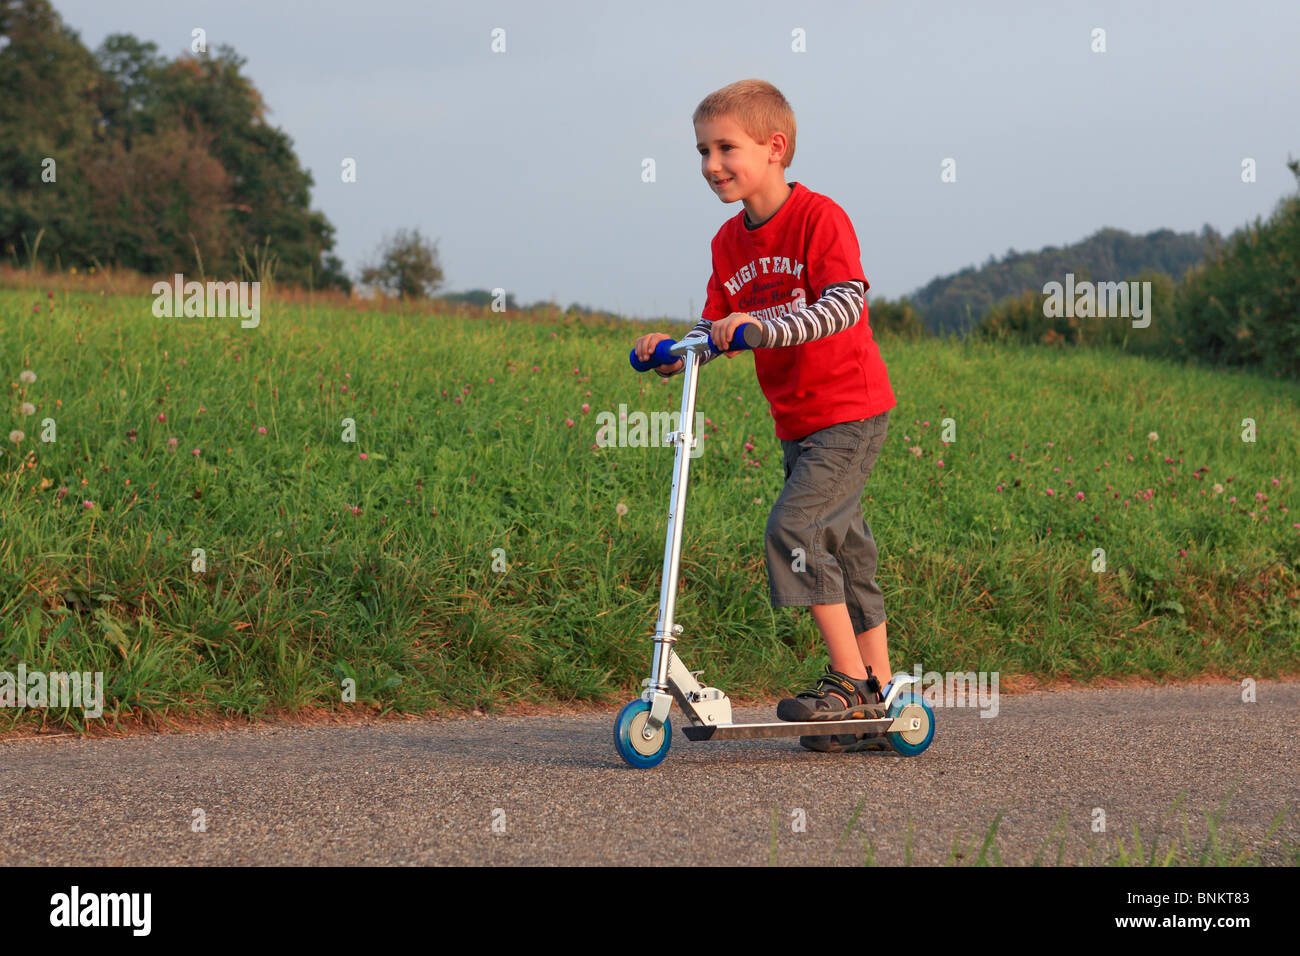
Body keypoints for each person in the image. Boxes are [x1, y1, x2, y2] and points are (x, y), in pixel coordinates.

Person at [632, 79, 899, 753]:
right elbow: (719, 323)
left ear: (774, 148)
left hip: (850, 409)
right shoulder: (728, 243)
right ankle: (879, 700)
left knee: (797, 527)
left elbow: (845, 305)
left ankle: (848, 683)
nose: (711, 164)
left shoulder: (820, 218)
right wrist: (677, 350)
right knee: (845, 549)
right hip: (798, 420)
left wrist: (765, 325)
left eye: (726, 147)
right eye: (702, 151)